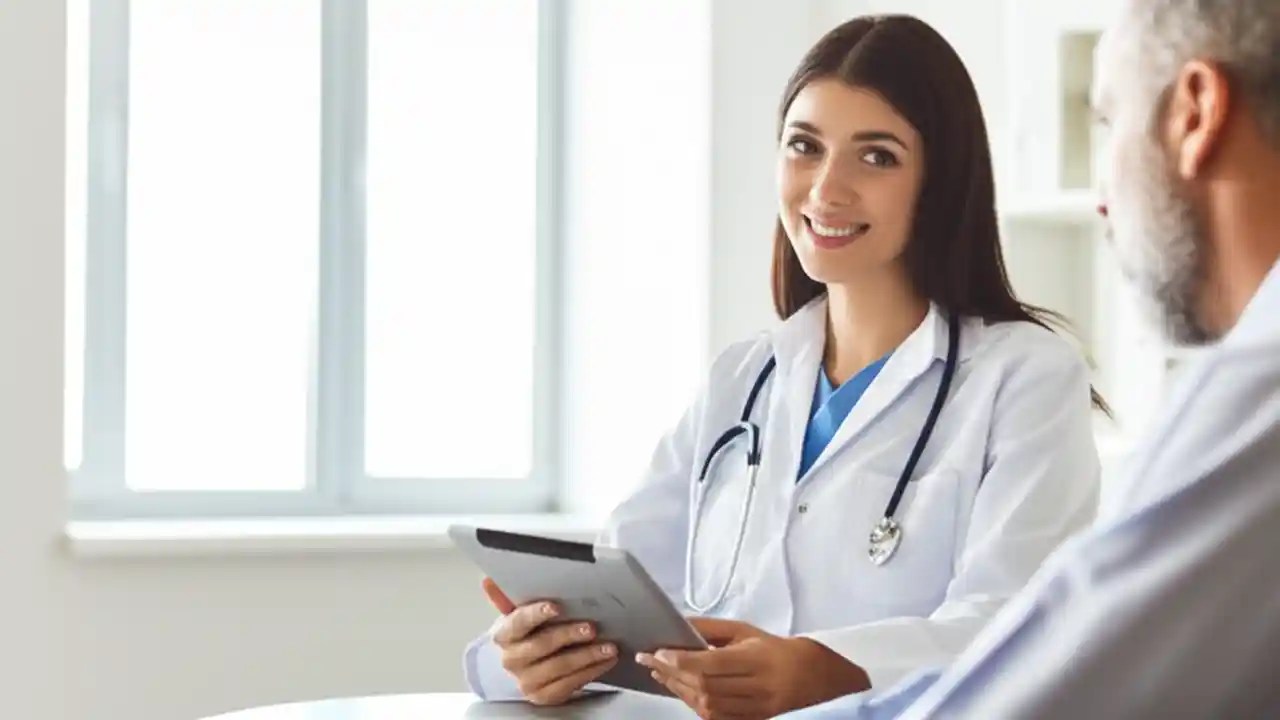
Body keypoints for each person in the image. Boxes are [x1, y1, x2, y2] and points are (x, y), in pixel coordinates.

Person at [464, 15, 1105, 718]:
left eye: (877, 156)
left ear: (941, 182)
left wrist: (831, 669)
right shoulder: (744, 379)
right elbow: (622, 585)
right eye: (805, 147)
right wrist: (527, 655)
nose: (827, 190)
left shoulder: (1026, 376)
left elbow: (1019, 628)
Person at [787, 0, 1280, 717]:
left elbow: (1053, 682)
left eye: (1108, 121)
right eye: (804, 145)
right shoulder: (748, 373)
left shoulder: (1256, 397)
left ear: (1195, 113)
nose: (1103, 197)